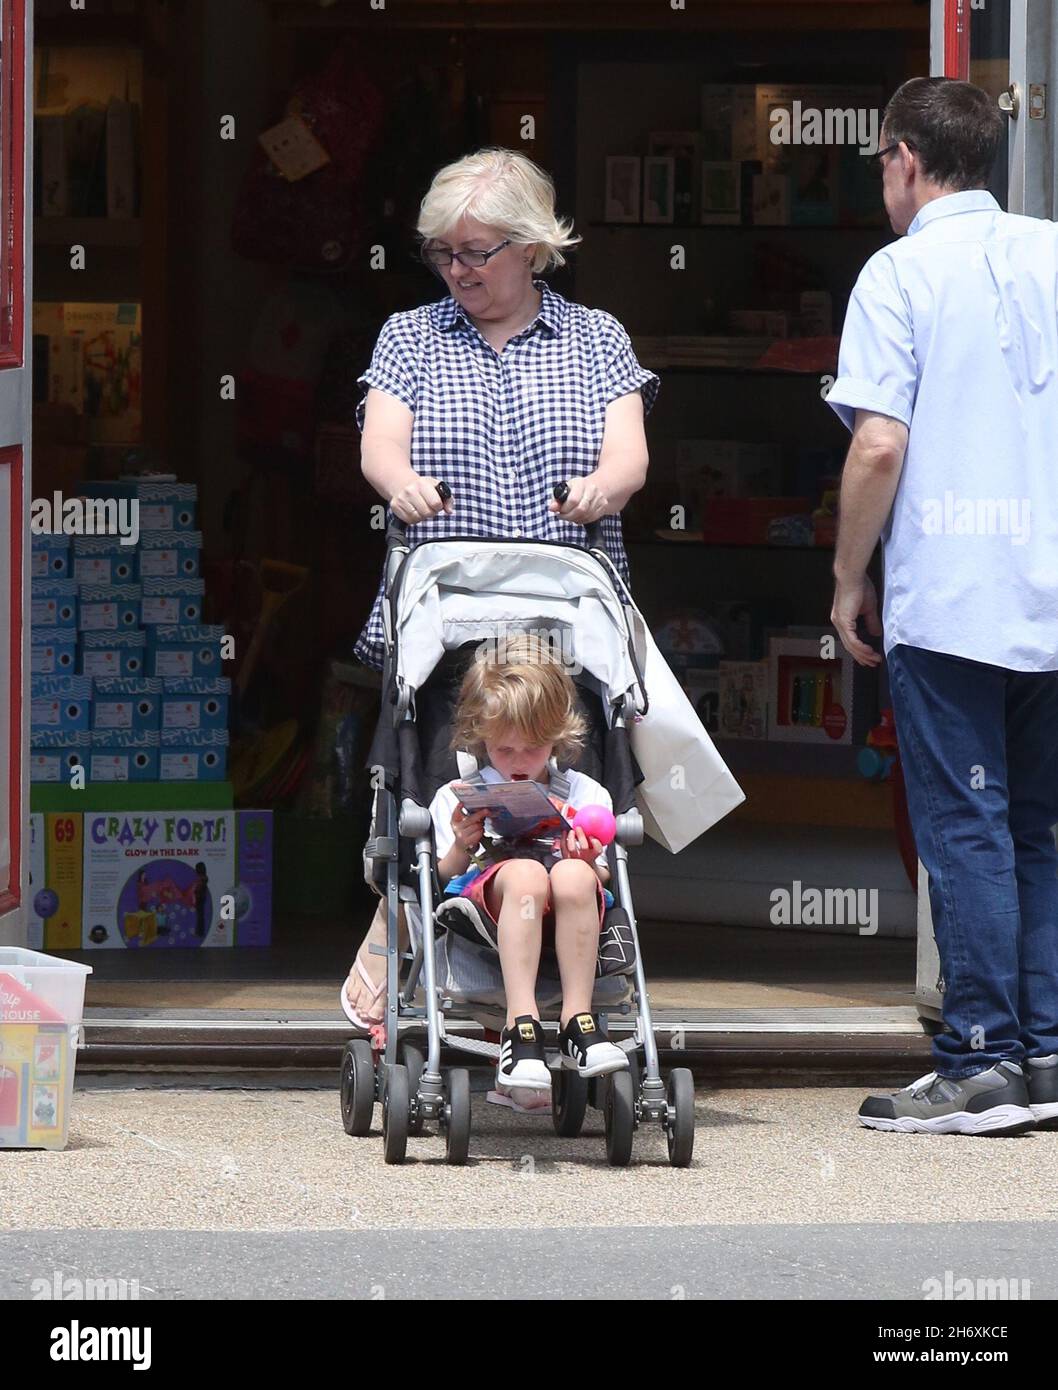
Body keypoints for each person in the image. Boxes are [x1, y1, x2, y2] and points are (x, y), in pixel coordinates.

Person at [340, 147, 658, 1029]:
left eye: (476, 251)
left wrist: (608, 486)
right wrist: (395, 481)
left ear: (530, 247)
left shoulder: (597, 337)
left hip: (566, 621)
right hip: (449, 620)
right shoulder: (409, 335)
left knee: (573, 799)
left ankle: (584, 975)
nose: (457, 270)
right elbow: (379, 443)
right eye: (443, 252)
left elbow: (629, 452)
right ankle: (435, 960)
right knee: (442, 788)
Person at [827, 77, 1058, 1135]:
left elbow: (877, 443)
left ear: (906, 160)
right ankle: (1044, 1053)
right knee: (1037, 829)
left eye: (880, 159)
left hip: (952, 601)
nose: (881, 177)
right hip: (1046, 595)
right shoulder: (1053, 253)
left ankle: (977, 1058)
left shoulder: (897, 271)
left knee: (963, 826)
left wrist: (843, 578)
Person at [431, 633, 629, 1101]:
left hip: (566, 904)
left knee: (574, 873)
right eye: (504, 751)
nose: (519, 763)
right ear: (481, 740)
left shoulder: (586, 794)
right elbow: (441, 876)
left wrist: (586, 860)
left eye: (534, 748)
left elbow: (601, 877)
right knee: (526, 873)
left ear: (557, 738)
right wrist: (463, 844)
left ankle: (578, 1023)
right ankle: (522, 1029)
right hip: (496, 903)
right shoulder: (458, 796)